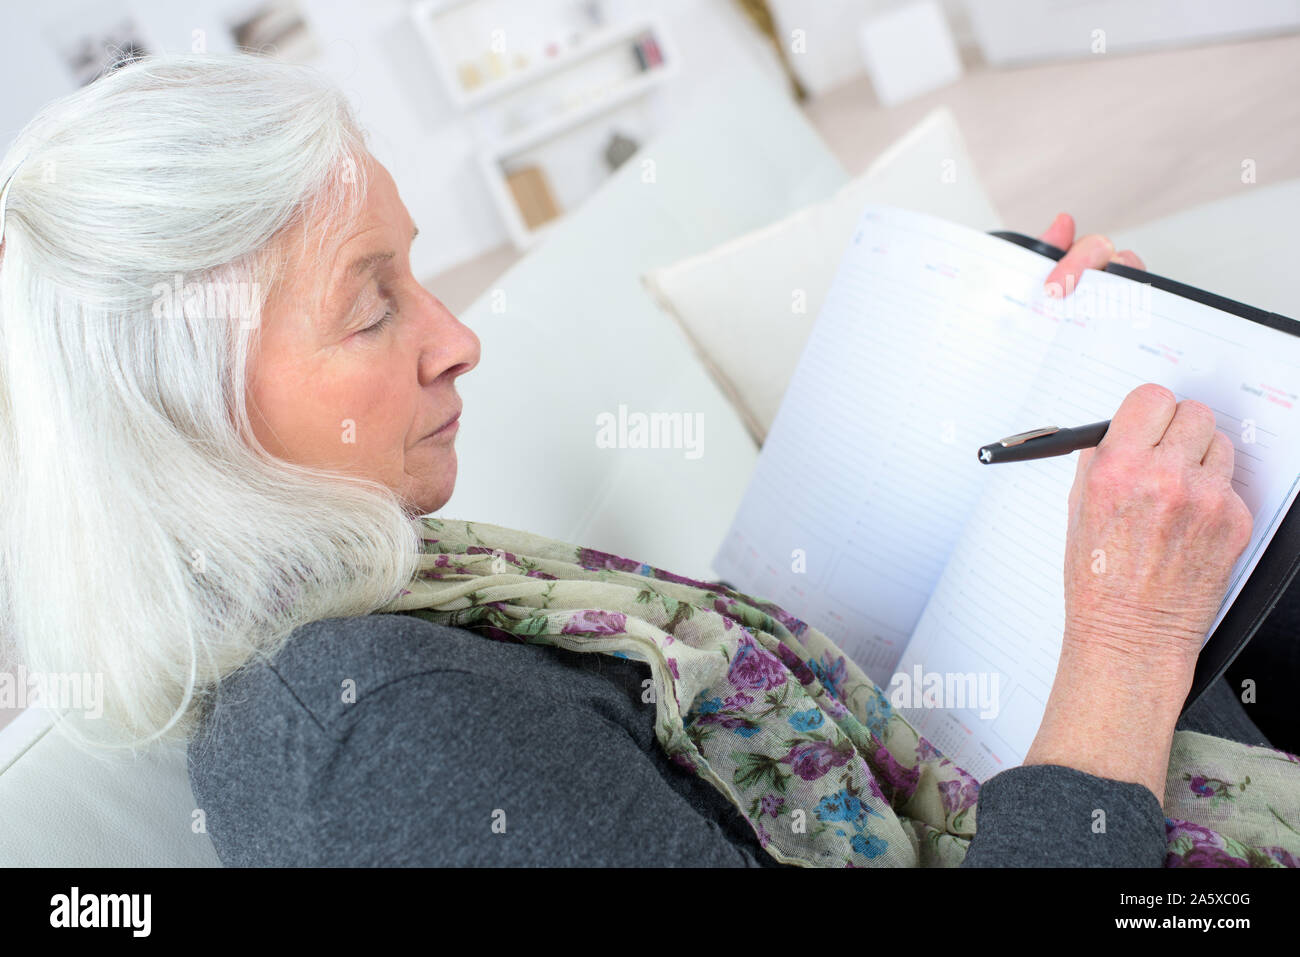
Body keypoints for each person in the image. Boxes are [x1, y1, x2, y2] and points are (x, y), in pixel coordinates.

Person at [0, 53, 1282, 868]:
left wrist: (1050, 367)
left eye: (418, 273)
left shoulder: (392, 578)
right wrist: (1122, 647)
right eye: (371, 306)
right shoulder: (371, 738)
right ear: (195, 411)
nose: (456, 340)